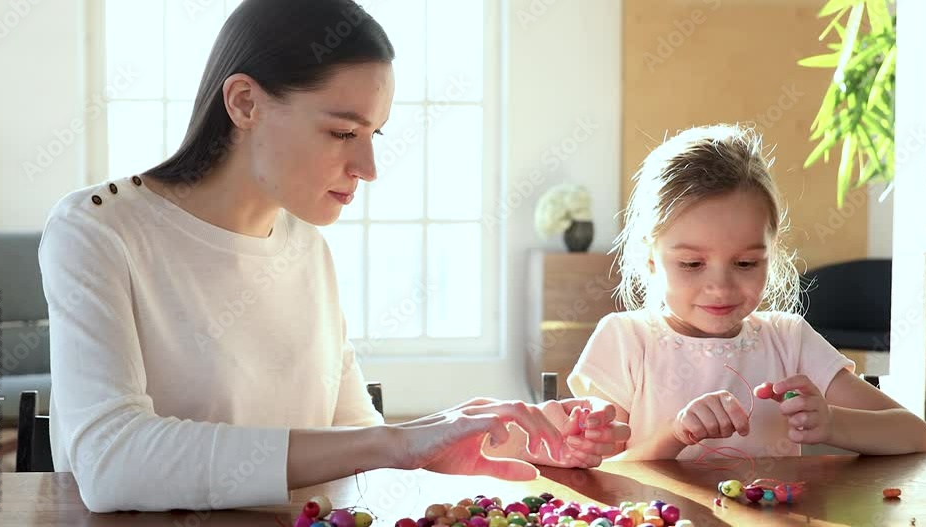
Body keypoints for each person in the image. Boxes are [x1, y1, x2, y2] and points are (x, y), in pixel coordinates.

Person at [38, 0, 627, 513]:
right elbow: (110, 461)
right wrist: (401, 441)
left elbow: (351, 440)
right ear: (245, 103)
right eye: (343, 133)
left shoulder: (306, 248)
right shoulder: (97, 229)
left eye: (375, 135)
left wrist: (496, 436)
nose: (368, 169)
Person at [566, 123, 926, 460]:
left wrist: (834, 424)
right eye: (692, 264)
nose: (721, 287)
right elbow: (598, 475)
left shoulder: (788, 341)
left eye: (745, 263)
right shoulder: (625, 341)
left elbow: (916, 436)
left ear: (770, 255)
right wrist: (675, 434)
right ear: (649, 258)